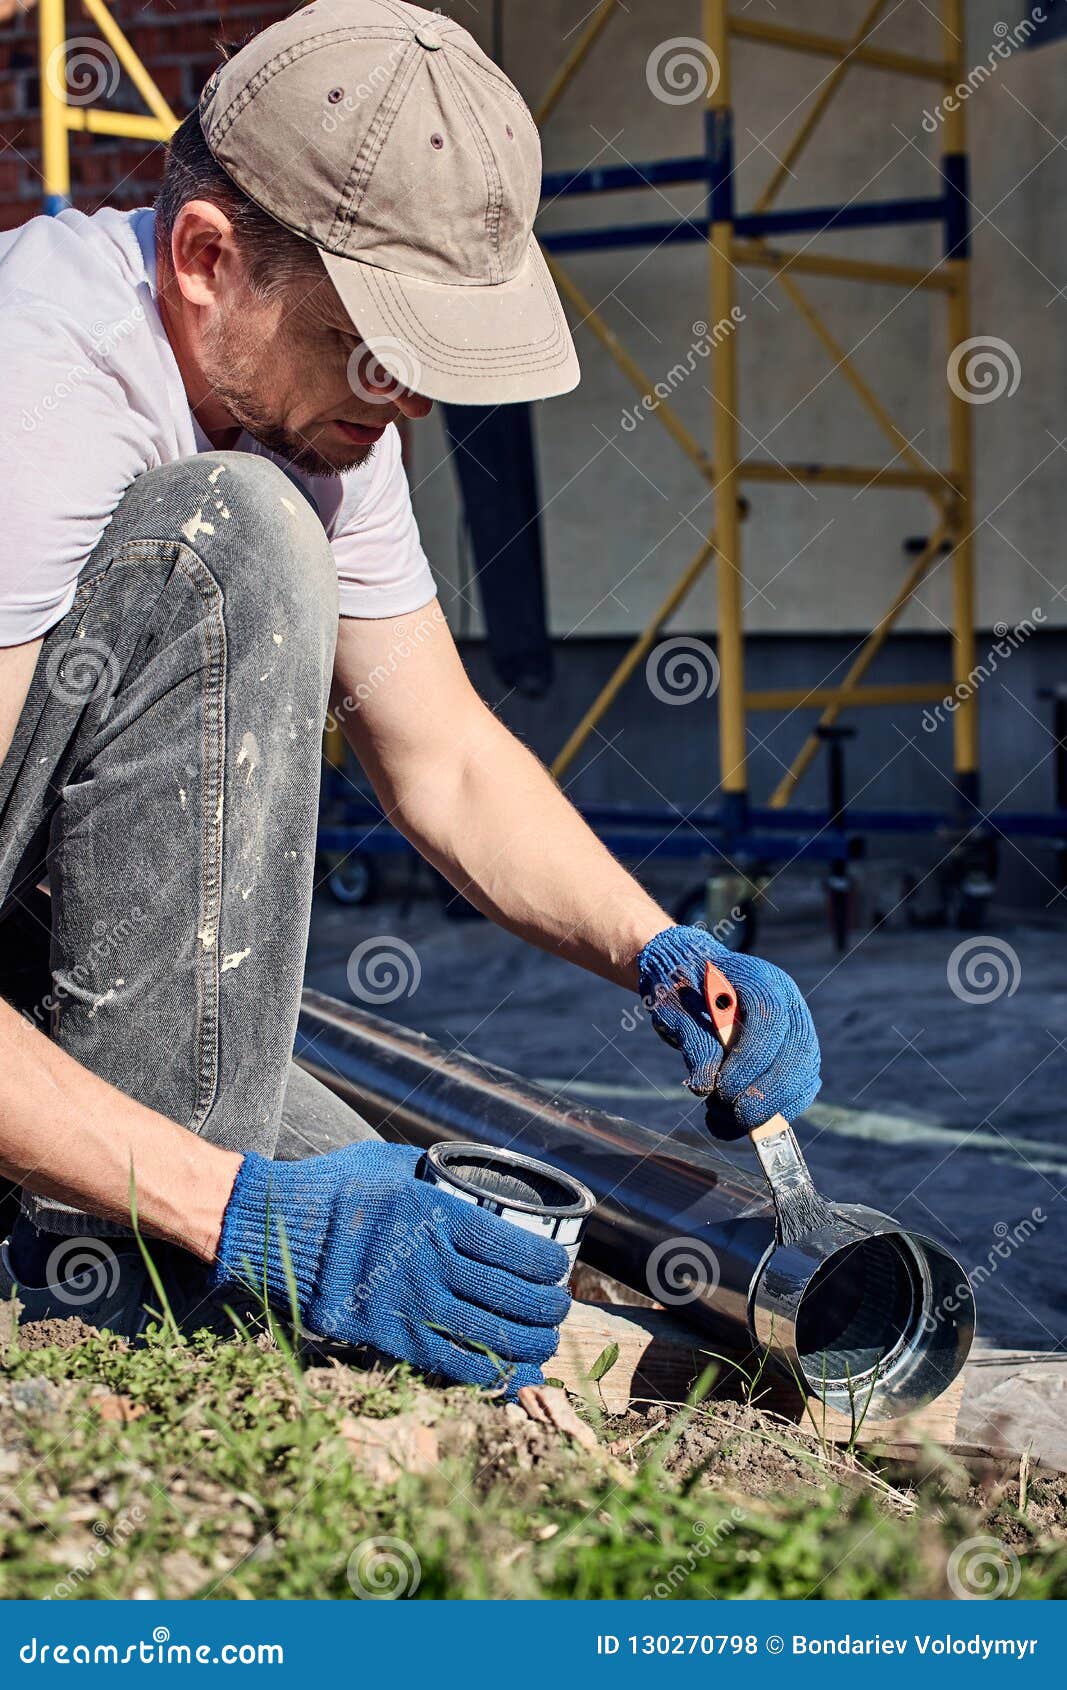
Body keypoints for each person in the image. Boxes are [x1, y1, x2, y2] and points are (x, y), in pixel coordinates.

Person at [0, 1, 820, 1394]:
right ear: (208, 261)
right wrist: (236, 1215)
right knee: (239, 536)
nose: (411, 403)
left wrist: (661, 948)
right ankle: (112, 1302)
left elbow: (440, 754)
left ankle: (123, 1240)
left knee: (468, 1262)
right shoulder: (42, 387)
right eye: (376, 347)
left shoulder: (304, 401)